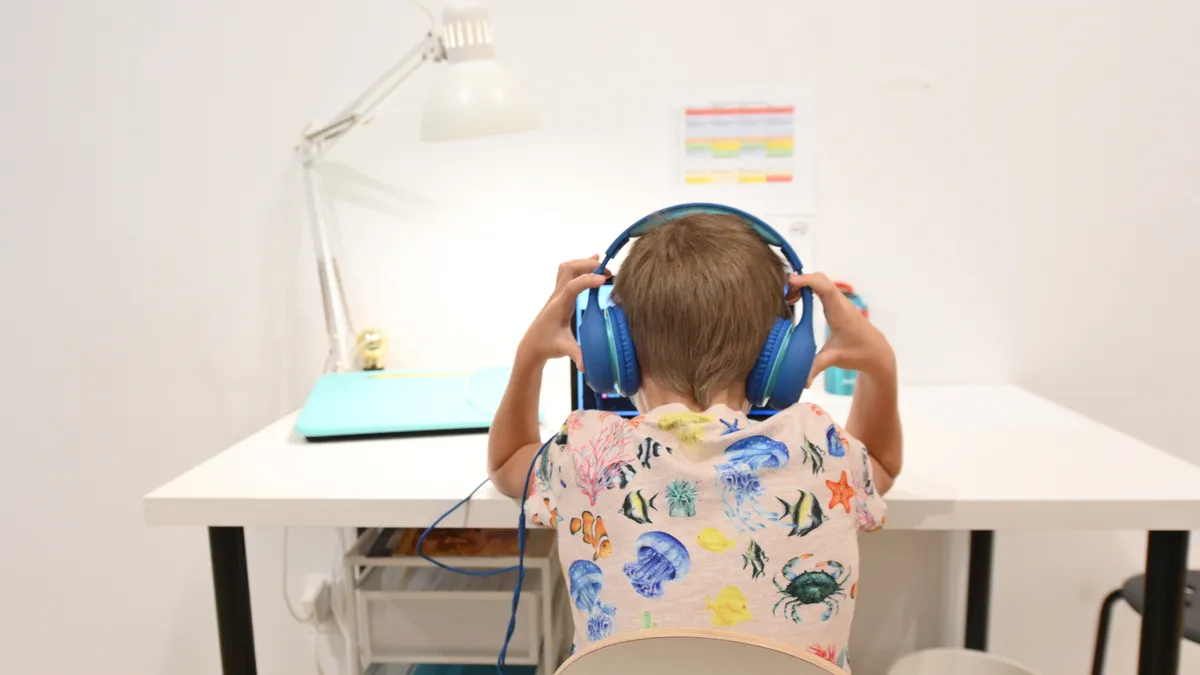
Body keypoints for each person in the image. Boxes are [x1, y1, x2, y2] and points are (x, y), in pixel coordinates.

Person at [487, 211, 902, 671]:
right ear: (778, 354)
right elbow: (881, 464)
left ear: (614, 352)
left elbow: (507, 463)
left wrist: (531, 353)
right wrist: (880, 363)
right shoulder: (823, 446)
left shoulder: (583, 449)